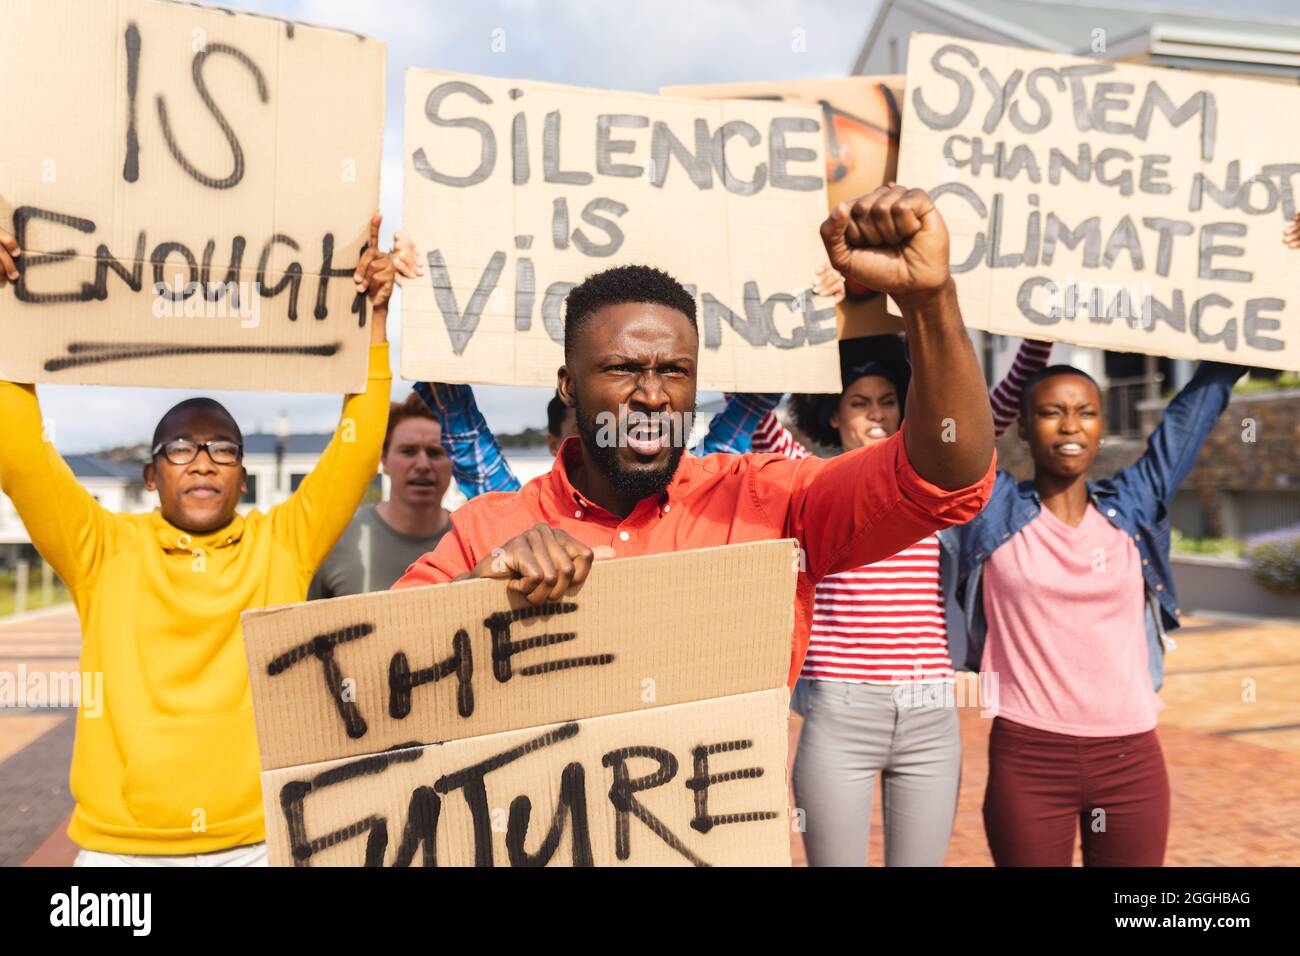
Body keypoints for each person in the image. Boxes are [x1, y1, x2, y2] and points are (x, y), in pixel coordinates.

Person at [395, 186, 999, 689]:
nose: (653, 395)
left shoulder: (773, 505)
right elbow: (382, 678)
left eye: (674, 372)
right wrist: (477, 598)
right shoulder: (488, 532)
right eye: (622, 368)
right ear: (568, 387)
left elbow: (944, 479)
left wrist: (928, 303)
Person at [0, 215, 417, 866]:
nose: (201, 460)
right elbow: (19, 449)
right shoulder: (102, 550)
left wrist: (374, 324)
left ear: (243, 479)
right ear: (150, 476)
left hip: (258, 844)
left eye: (221, 448)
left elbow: (358, 449)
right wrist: (6, 308)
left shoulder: (283, 542)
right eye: (180, 448)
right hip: (121, 854)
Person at [751, 333, 1050, 867]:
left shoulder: (932, 484)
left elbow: (989, 410)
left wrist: (1036, 339)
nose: (877, 415)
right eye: (859, 403)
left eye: (889, 401)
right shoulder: (810, 480)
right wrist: (808, 318)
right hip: (839, 713)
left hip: (930, 712)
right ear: (834, 416)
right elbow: (751, 408)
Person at [957, 358, 1248, 866]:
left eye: (1085, 412)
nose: (1071, 425)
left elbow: (1188, 417)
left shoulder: (1134, 504)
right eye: (1051, 412)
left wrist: (1233, 356)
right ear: (1023, 427)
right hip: (1029, 758)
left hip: (1130, 760)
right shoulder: (993, 507)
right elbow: (949, 425)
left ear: (1101, 425)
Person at [413, 264, 847, 500]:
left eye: (671, 372)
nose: (650, 400)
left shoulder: (704, 494)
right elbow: (466, 437)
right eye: (586, 432)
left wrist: (807, 305)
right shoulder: (518, 520)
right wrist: (417, 294)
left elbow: (752, 404)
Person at [308, 391, 453, 599]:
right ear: (384, 460)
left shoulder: (472, 540)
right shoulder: (336, 539)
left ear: (453, 462)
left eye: (435, 452)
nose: (423, 465)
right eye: (408, 451)